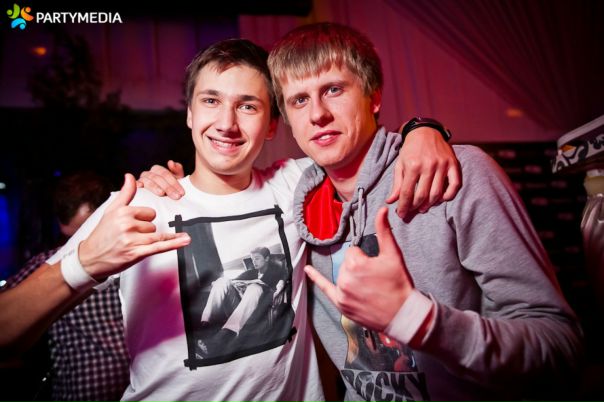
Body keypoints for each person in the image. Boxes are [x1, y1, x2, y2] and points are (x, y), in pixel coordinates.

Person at [0, 38, 460, 401]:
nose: (227, 123)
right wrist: (83, 263)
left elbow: (360, 140)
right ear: (189, 113)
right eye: (211, 101)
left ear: (273, 124)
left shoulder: (297, 184)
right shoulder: (137, 204)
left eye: (248, 105)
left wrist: (423, 129)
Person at [262, 22, 583, 401]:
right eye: (299, 100)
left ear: (373, 96)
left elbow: (560, 346)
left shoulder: (456, 173)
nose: (318, 114)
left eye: (334, 89)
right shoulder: (292, 203)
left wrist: (419, 319)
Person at [1, 171, 130, 402]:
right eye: (71, 237)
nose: (77, 243)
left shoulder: (137, 254)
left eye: (85, 231)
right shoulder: (50, 264)